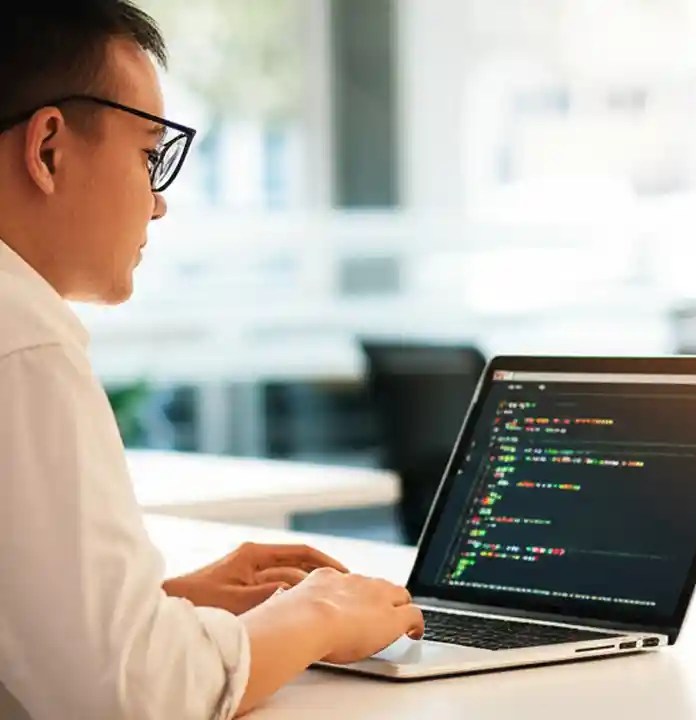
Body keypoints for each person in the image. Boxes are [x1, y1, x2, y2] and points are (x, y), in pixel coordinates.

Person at [0, 3, 425, 718]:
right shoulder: (21, 340)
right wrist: (318, 612)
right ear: (48, 149)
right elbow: (131, 697)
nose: (159, 205)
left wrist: (164, 606)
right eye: (147, 156)